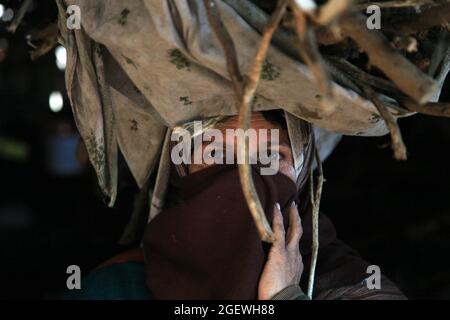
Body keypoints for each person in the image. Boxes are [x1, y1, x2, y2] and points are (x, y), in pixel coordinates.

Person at [66, 111, 406, 300]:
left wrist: (285, 297)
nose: (244, 180)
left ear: (302, 174)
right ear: (181, 169)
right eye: (215, 154)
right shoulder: (113, 289)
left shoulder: (354, 288)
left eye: (272, 156)